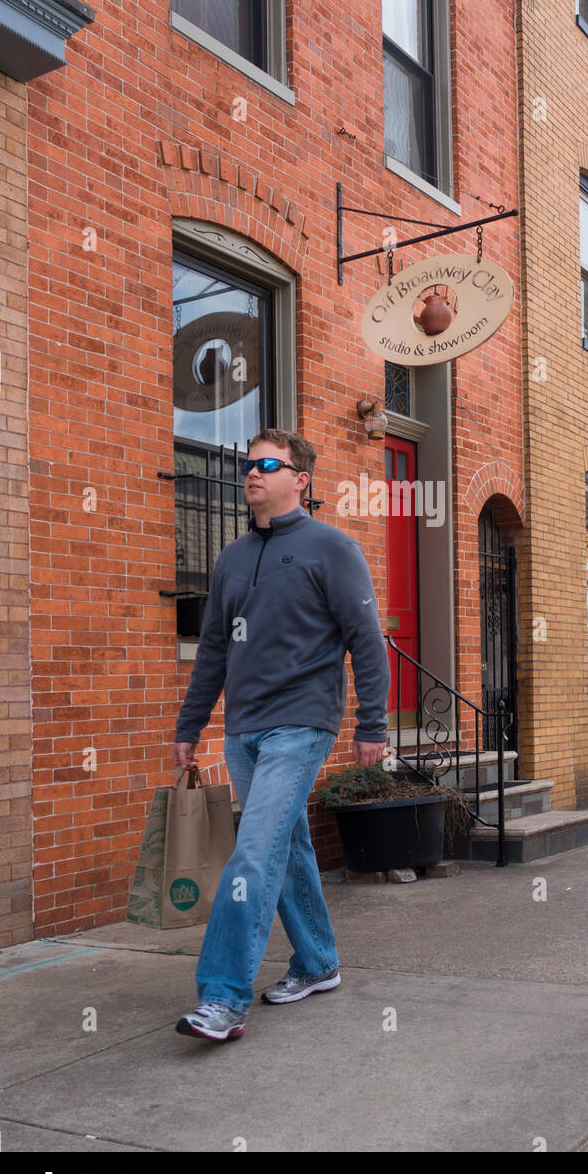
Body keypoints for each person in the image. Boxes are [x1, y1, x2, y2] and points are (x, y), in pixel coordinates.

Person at [173, 429, 390, 1042]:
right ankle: (318, 963)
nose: (253, 473)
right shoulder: (233, 557)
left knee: (254, 853)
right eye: (248, 465)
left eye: (269, 464)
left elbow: (366, 642)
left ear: (301, 479)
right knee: (288, 848)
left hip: (302, 725)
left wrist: (371, 724)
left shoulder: (333, 549)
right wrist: (191, 725)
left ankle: (222, 998)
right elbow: (213, 649)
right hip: (242, 731)